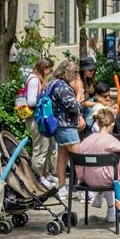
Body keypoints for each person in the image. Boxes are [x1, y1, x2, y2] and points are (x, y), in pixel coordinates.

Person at [47, 59, 83, 194]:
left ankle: (62, 186)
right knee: (79, 158)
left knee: (62, 156)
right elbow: (74, 107)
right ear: (70, 73)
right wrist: (79, 93)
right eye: (75, 73)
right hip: (66, 126)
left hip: (58, 125)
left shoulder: (52, 83)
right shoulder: (63, 87)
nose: (77, 76)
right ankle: (84, 188)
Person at [23, 58, 56, 185]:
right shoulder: (34, 80)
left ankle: (45, 174)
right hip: (36, 120)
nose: (49, 72)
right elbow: (31, 101)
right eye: (49, 70)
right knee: (40, 149)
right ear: (43, 68)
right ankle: (38, 178)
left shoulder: (37, 79)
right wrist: (44, 97)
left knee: (45, 147)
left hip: (39, 119)